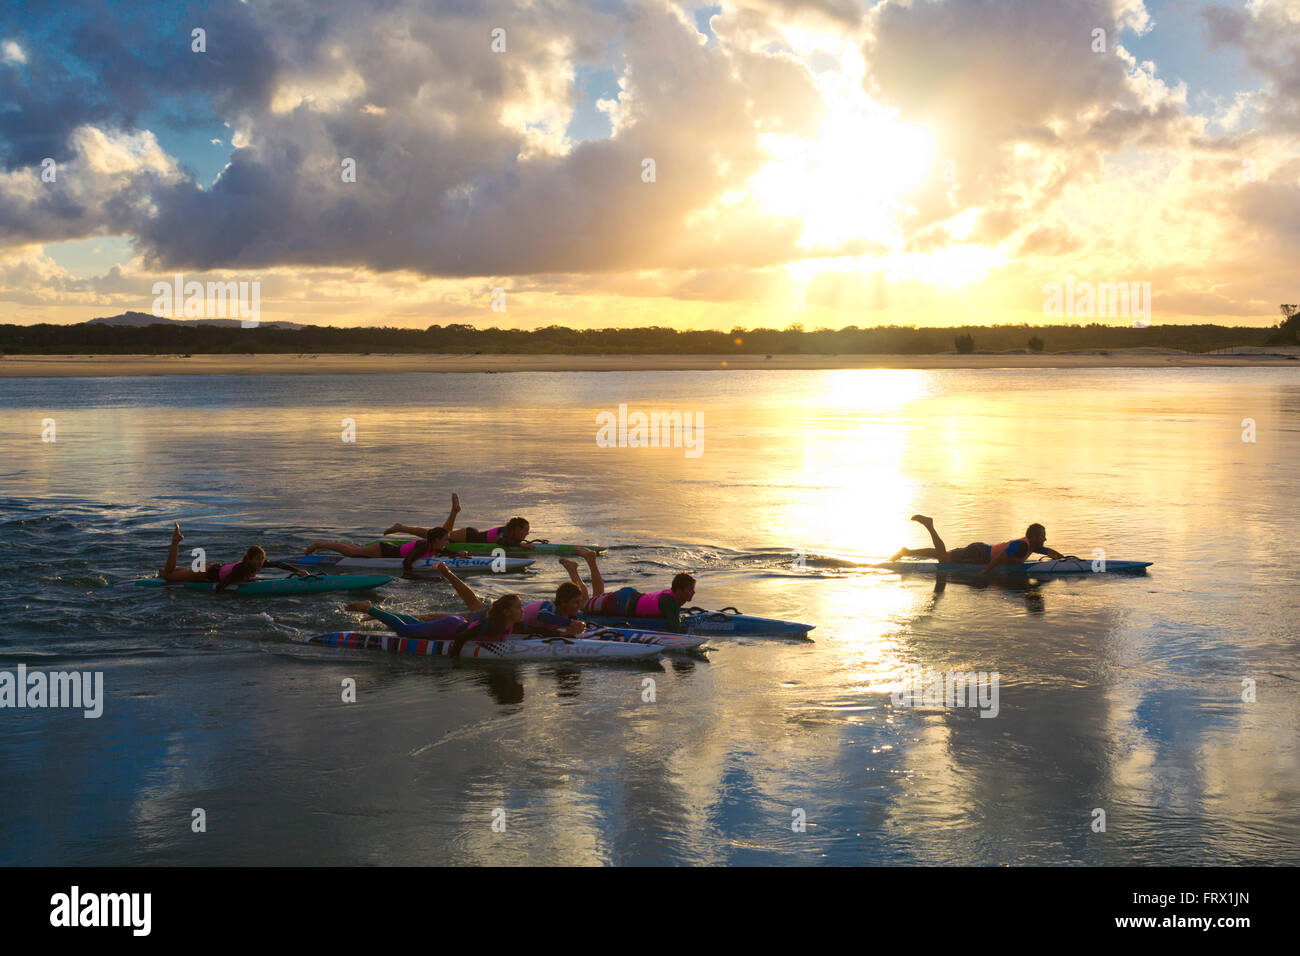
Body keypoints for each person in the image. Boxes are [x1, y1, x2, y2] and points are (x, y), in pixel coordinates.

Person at [304, 497, 468, 573]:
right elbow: (407, 562)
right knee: (353, 552)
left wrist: (456, 554)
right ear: (437, 539)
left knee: (355, 549)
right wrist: (414, 579)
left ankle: (323, 544)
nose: (447, 542)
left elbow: (442, 552)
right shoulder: (424, 545)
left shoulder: (433, 546)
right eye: (445, 540)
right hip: (382, 551)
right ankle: (321, 544)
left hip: (385, 549)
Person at [346, 592, 526, 658]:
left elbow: (532, 629)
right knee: (405, 631)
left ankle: (382, 612)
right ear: (506, 612)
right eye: (519, 608)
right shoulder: (491, 625)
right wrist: (455, 662)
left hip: (455, 624)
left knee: (416, 624)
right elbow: (461, 638)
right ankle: (370, 609)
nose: (523, 611)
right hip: (450, 629)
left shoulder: (510, 624)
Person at [890, 515, 1068, 572]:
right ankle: (929, 526)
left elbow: (1048, 551)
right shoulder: (1022, 545)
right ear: (1035, 536)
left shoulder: (1033, 545)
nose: (1045, 539)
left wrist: (1062, 558)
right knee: (944, 558)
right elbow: (1002, 556)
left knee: (941, 555)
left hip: (980, 550)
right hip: (980, 554)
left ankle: (906, 552)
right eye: (1043, 535)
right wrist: (986, 571)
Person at [156, 522, 266, 592]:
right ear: (250, 559)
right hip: (205, 572)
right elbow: (223, 583)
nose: (261, 562)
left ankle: (162, 571)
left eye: (262, 559)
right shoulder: (242, 569)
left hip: (211, 568)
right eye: (257, 559)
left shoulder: (255, 565)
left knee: (168, 572)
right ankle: (175, 542)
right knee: (168, 575)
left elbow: (276, 563)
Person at [385, 501, 533, 549]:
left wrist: (522, 543)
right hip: (468, 536)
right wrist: (521, 546)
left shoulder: (512, 534)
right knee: (433, 535)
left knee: (437, 534)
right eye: (525, 531)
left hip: (470, 536)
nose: (527, 534)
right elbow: (501, 541)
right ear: (517, 528)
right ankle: (400, 527)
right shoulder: (505, 531)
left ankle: (454, 512)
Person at [579, 572, 696, 633]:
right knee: (582, 606)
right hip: (621, 604)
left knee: (594, 599)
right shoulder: (670, 602)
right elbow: (675, 629)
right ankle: (575, 568)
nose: (693, 592)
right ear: (679, 590)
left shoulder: (671, 597)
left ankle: (590, 560)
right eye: (690, 589)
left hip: (626, 597)